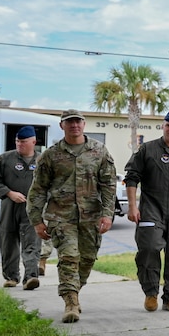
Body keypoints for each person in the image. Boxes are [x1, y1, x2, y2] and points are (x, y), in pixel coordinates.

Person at [27, 110, 117, 323]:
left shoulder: (99, 151)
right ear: (62, 126)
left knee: (86, 259)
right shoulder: (50, 155)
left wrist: (107, 214)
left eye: (77, 121)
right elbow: (38, 189)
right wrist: (37, 221)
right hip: (61, 217)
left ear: (84, 124)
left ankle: (75, 290)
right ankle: (71, 302)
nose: (74, 125)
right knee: (68, 258)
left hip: (91, 217)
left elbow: (108, 185)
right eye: (69, 122)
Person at [124, 110, 169, 312]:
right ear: (163, 126)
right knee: (149, 247)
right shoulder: (148, 149)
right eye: (168, 125)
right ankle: (150, 292)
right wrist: (133, 206)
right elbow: (132, 177)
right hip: (151, 207)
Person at [0, 125, 43, 290]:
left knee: (32, 241)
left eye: (23, 142)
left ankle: (31, 277)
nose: (19, 144)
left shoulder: (42, 161)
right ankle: (11, 276)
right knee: (8, 240)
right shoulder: (5, 159)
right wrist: (9, 193)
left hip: (32, 208)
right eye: (17, 141)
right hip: (10, 205)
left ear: (33, 141)